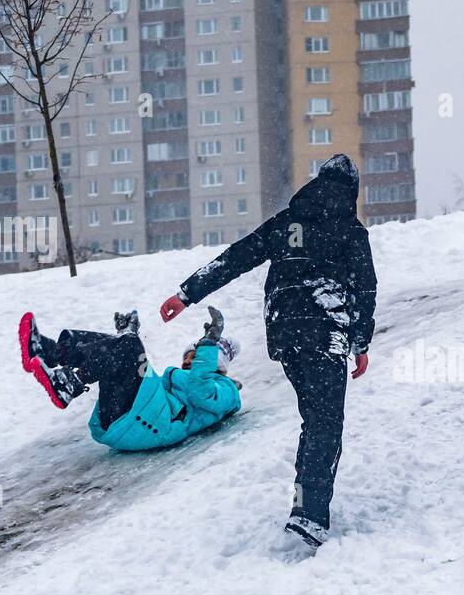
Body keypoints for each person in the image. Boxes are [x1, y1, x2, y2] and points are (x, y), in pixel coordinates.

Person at [156, 153, 376, 550]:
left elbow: (236, 258)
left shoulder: (287, 223)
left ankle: (307, 507)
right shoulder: (349, 229)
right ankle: (309, 515)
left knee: (315, 418)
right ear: (351, 193)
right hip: (325, 330)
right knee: (325, 423)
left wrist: (186, 294)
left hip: (286, 331)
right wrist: (360, 342)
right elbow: (366, 289)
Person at [18, 306, 242, 452]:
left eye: (194, 358)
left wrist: (210, 342)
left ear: (216, 363)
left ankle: (68, 384)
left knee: (130, 346)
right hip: (134, 419)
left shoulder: (226, 390)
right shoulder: (180, 383)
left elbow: (199, 389)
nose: (187, 362)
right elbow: (128, 370)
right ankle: (47, 351)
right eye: (187, 358)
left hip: (152, 424)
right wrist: (123, 337)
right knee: (123, 349)